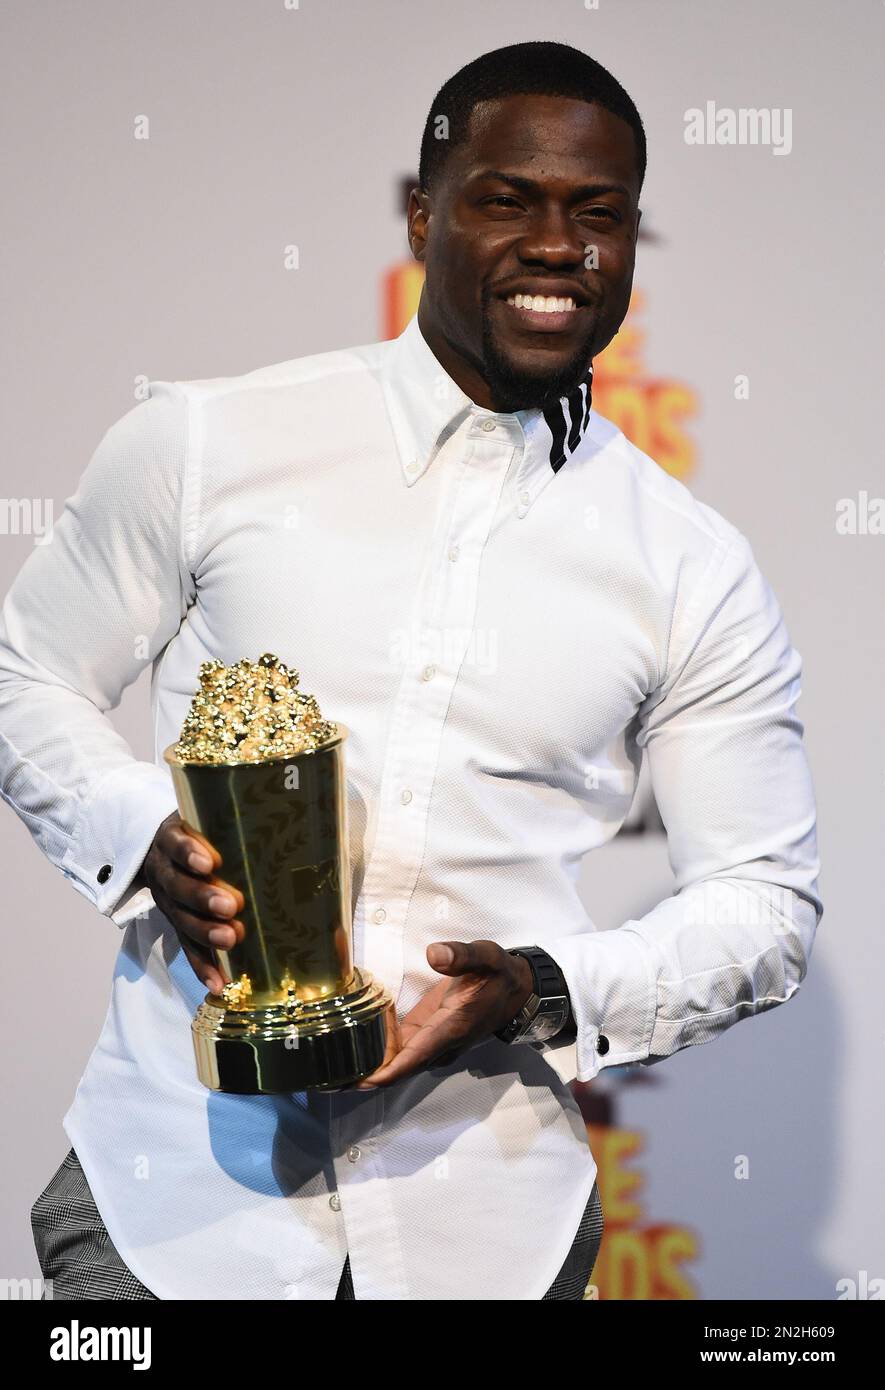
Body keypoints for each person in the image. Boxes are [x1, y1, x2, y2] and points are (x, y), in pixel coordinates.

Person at [0, 40, 821, 1301]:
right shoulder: (207, 446)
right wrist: (140, 839)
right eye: (509, 199)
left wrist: (542, 989)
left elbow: (765, 902)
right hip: (172, 1211)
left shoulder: (690, 565)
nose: (558, 245)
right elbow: (24, 673)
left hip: (490, 1227)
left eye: (598, 214)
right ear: (425, 214)